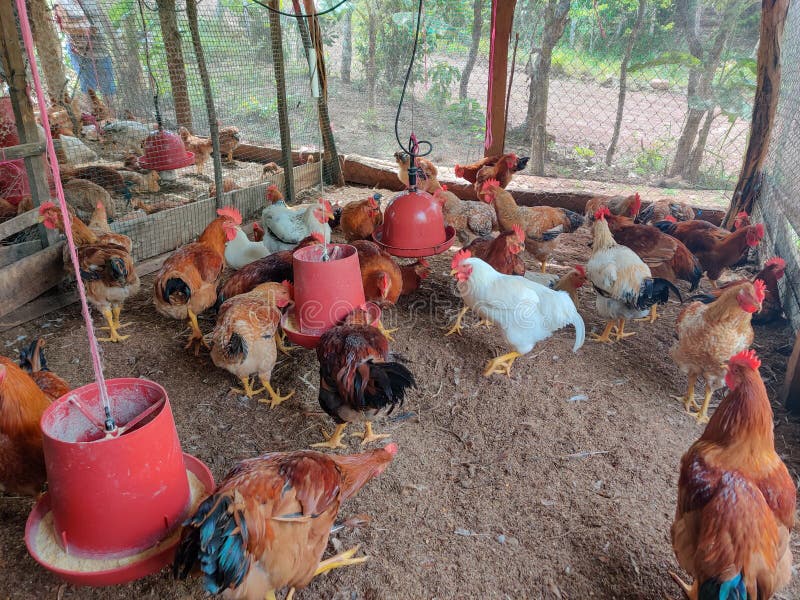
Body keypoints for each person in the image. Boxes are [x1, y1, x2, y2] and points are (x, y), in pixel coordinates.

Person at [53, 0, 116, 101]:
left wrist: (115, 39)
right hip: (80, 51)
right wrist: (85, 26)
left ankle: (112, 115)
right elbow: (65, 26)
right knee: (89, 88)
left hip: (101, 49)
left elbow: (103, 17)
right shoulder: (61, 3)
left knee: (109, 88)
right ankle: (94, 114)